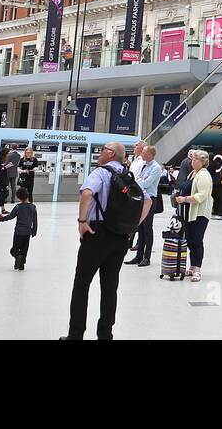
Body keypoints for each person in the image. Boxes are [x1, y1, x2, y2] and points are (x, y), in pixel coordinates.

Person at [63, 142, 147, 339]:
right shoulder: (128, 176)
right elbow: (148, 200)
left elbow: (86, 193)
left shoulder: (101, 172)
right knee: (110, 287)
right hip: (120, 237)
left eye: (102, 149)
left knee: (82, 284)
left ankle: (75, 334)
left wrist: (82, 221)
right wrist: (133, 226)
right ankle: (105, 334)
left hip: (96, 234)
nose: (100, 152)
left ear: (110, 154)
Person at [173, 149, 213, 282]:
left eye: (196, 159)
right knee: (190, 240)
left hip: (199, 214)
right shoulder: (193, 173)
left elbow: (201, 196)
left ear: (203, 162)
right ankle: (192, 265)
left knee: (196, 240)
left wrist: (184, 199)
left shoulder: (204, 175)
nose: (193, 161)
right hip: (189, 213)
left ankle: (197, 269)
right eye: (192, 158)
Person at [127, 144, 164, 267]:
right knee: (141, 229)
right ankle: (139, 255)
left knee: (147, 228)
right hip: (141, 199)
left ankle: (147, 257)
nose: (142, 153)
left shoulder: (156, 168)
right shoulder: (144, 165)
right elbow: (138, 179)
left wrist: (138, 181)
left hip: (150, 199)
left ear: (150, 154)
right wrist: (138, 181)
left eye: (144, 152)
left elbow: (146, 183)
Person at [0, 185, 38, 270]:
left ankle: (17, 256)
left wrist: (2, 219)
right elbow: (35, 221)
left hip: (18, 232)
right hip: (27, 232)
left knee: (14, 249)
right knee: (24, 250)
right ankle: (21, 265)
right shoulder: (33, 207)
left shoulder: (18, 207)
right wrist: (34, 231)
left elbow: (10, 216)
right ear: (27, 195)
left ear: (19, 198)